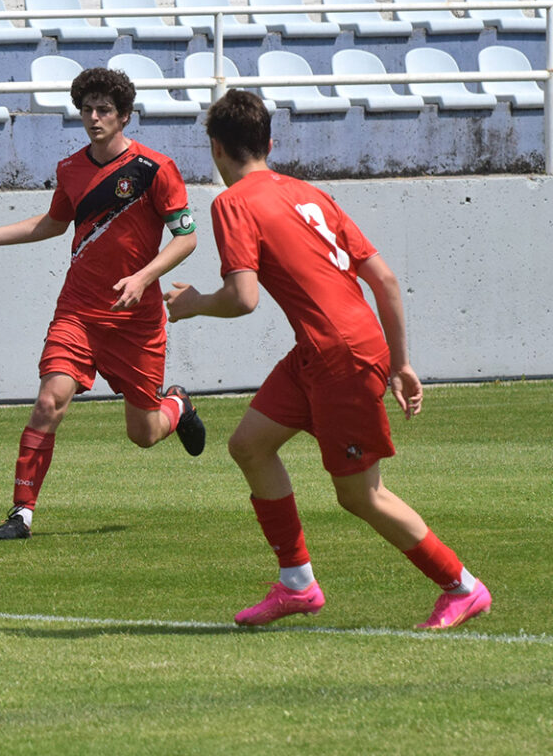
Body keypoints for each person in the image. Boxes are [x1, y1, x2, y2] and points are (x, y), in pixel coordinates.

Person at [164, 90, 491, 629]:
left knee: (361, 495)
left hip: (339, 355)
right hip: (324, 350)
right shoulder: (309, 193)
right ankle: (297, 585)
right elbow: (384, 279)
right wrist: (400, 362)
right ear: (269, 144)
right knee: (249, 445)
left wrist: (195, 303)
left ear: (216, 148)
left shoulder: (232, 202)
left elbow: (243, 298)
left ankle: (462, 586)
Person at [0, 67, 206, 541]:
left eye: (104, 110)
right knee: (48, 402)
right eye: (87, 109)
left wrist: (143, 276)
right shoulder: (70, 169)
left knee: (144, 433)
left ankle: (178, 405)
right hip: (79, 312)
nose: (94, 117)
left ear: (124, 116)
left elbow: (186, 238)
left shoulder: (155, 169)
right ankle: (21, 514)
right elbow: (52, 223)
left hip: (136, 320)